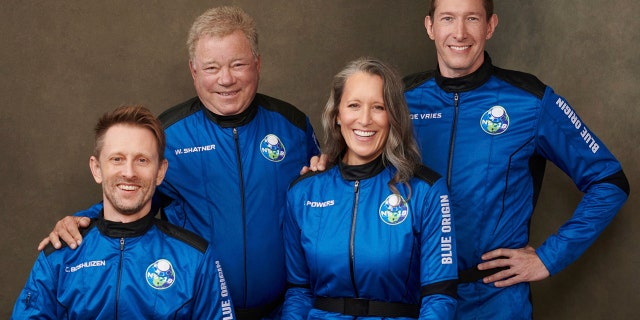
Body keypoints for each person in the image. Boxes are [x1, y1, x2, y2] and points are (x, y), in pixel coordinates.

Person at [38, 6, 320, 319]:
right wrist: (80, 222)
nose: (225, 79)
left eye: (237, 64)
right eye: (211, 68)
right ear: (193, 71)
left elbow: (325, 199)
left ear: (257, 63)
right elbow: (132, 194)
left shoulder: (293, 127)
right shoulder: (169, 134)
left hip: (284, 309)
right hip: (198, 309)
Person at [401, 0, 630, 318]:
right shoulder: (400, 100)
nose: (460, 32)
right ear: (430, 27)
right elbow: (360, 169)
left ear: (490, 25)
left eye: (472, 18)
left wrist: (549, 257)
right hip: (414, 297)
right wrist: (327, 165)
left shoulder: (530, 100)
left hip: (495, 301)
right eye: (448, 18)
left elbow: (610, 181)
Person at [12, 105, 234, 319]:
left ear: (160, 171)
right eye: (117, 159)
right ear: (97, 169)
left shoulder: (195, 259)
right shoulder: (59, 256)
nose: (129, 172)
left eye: (142, 160)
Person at [282, 58, 458, 319]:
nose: (365, 120)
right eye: (354, 105)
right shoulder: (303, 193)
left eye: (379, 107)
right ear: (337, 115)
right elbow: (298, 292)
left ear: (393, 117)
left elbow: (439, 296)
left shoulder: (426, 191)